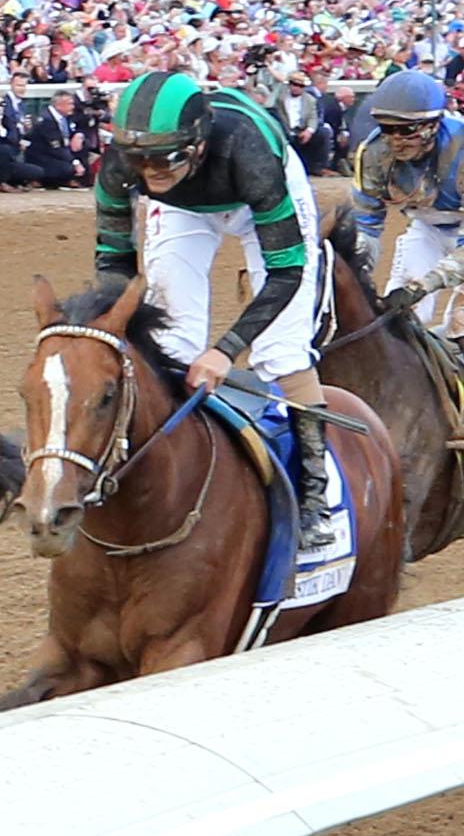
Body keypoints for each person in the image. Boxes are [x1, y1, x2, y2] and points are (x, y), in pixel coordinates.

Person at [90, 70, 332, 530]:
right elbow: (113, 260)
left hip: (260, 196)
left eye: (166, 157)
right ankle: (170, 474)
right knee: (171, 344)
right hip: (181, 210)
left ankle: (315, 493)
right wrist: (119, 321)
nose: (152, 171)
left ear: (199, 143)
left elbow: (286, 272)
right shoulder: (121, 163)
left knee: (281, 350)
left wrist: (226, 350)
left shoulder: (250, 151)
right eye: (140, 160)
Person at [345, 69, 464, 464]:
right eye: (387, 128)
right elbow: (366, 226)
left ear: (433, 123)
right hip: (426, 226)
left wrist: (424, 284)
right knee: (396, 314)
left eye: (407, 130)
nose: (395, 139)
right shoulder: (373, 154)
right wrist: (358, 272)